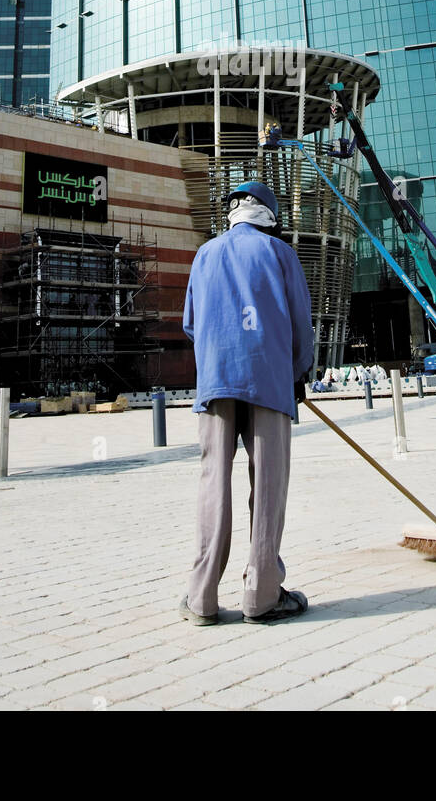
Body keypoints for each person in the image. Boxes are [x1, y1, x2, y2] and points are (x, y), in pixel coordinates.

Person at [181, 180, 314, 627]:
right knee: (269, 483)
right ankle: (262, 596)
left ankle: (202, 599)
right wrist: (297, 374)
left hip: (216, 380)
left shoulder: (205, 254)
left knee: (213, 481)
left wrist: (218, 353)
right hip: (269, 380)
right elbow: (300, 325)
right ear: (270, 217)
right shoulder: (280, 254)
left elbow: (191, 324)